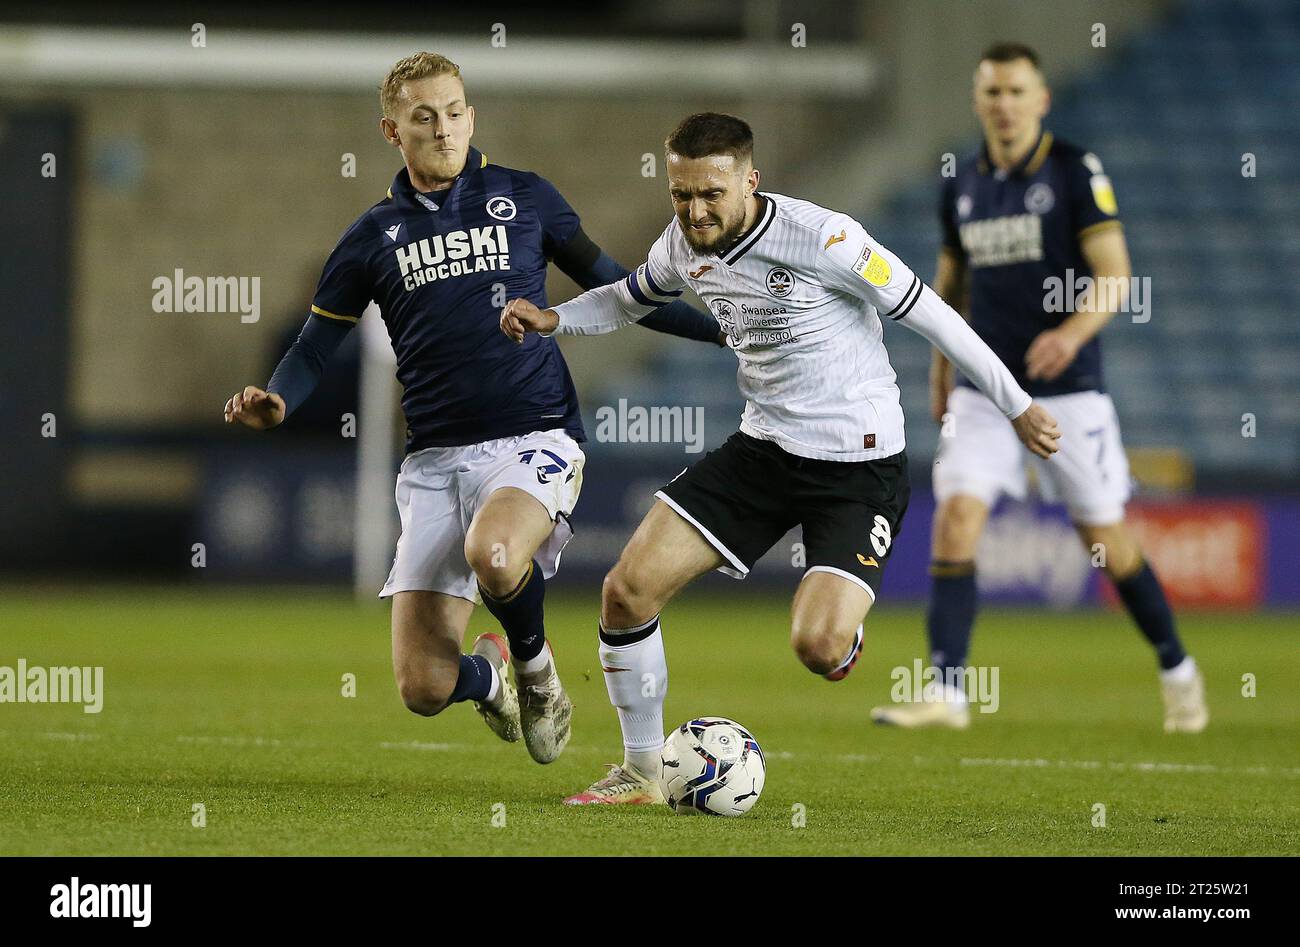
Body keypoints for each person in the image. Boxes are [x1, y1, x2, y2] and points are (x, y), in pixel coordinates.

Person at [499, 112, 1059, 804]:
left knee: (817, 647)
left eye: (712, 194)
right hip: (763, 450)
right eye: (682, 194)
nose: (696, 211)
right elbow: (629, 299)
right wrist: (558, 318)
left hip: (859, 468)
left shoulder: (825, 238)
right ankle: (641, 771)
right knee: (625, 591)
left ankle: (841, 638)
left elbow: (932, 313)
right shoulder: (681, 245)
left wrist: (1017, 402)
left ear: (750, 181)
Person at [223, 52, 723, 765]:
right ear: (391, 130)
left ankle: (537, 670)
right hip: (434, 459)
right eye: (424, 117)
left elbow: (620, 289)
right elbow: (313, 346)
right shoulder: (372, 237)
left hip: (533, 436)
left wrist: (725, 331)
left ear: (471, 116)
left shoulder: (525, 197)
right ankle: (489, 677)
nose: (444, 128)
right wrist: (277, 398)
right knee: (423, 686)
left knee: (493, 552)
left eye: (455, 111)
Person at [869, 42, 1207, 733]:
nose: (1004, 104)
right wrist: (941, 370)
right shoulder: (960, 185)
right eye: (992, 91)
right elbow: (950, 289)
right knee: (957, 519)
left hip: (1069, 388)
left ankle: (1177, 666)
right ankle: (948, 693)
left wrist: (1072, 334)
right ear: (978, 100)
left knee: (1105, 539)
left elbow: (1115, 273)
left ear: (1041, 99)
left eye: (1017, 91)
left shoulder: (1073, 169)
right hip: (986, 388)